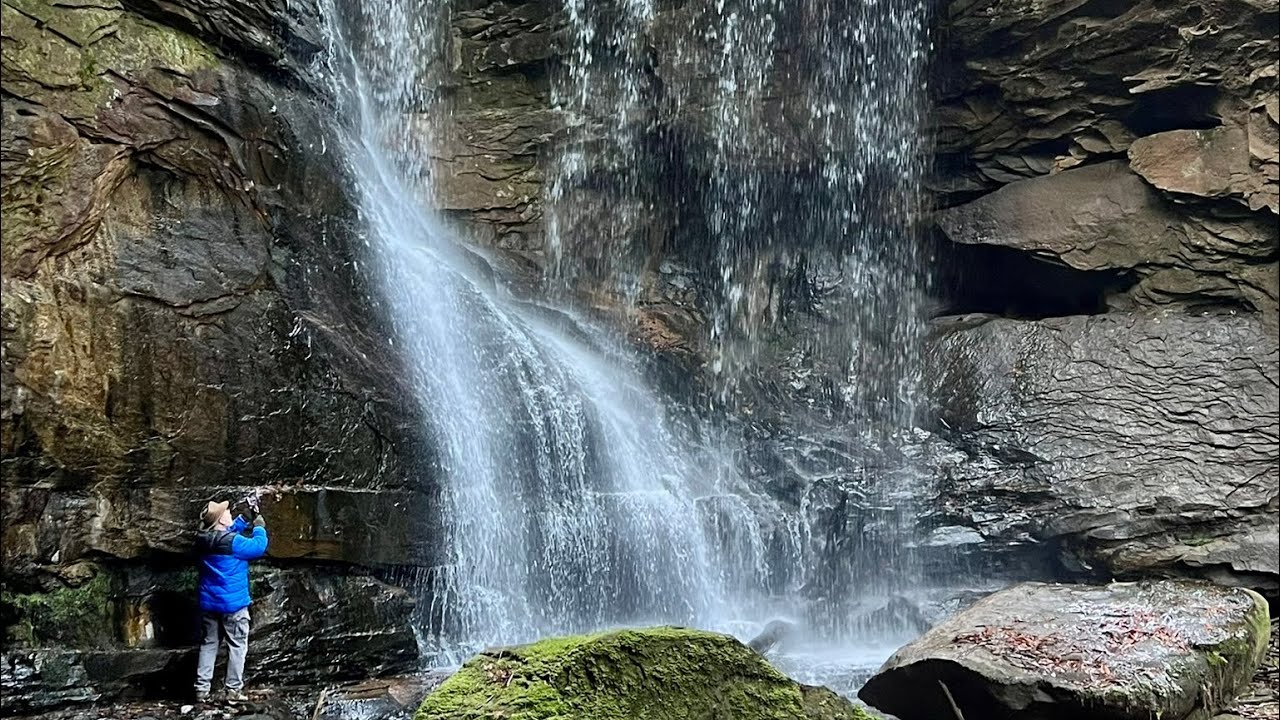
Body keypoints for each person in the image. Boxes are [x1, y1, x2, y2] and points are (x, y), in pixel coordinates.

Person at [193, 499, 268, 703]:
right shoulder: (235, 543)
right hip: (233, 606)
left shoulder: (202, 539)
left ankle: (202, 690)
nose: (229, 513)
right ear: (221, 520)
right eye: (227, 512)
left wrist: (244, 518)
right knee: (237, 645)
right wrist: (259, 525)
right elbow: (258, 546)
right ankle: (233, 690)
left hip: (209, 603)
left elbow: (225, 534)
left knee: (209, 643)